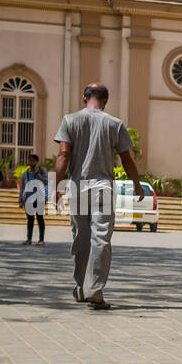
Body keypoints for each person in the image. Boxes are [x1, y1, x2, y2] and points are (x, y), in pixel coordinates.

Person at [54, 82, 142, 310]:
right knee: (100, 238)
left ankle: (82, 289)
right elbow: (127, 160)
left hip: (77, 186)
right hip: (103, 187)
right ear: (106, 100)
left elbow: (63, 154)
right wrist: (137, 184)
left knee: (81, 239)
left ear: (85, 97)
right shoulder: (115, 124)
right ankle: (95, 290)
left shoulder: (70, 120)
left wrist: (54, 186)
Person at [20, 153, 48, 245]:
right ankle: (29, 239)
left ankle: (41, 240)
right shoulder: (26, 174)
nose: (31, 162)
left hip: (40, 199)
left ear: (37, 162)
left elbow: (46, 182)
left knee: (40, 218)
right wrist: (20, 200)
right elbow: (22, 187)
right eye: (30, 160)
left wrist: (37, 174)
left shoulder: (42, 171)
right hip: (29, 199)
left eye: (33, 161)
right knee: (30, 220)